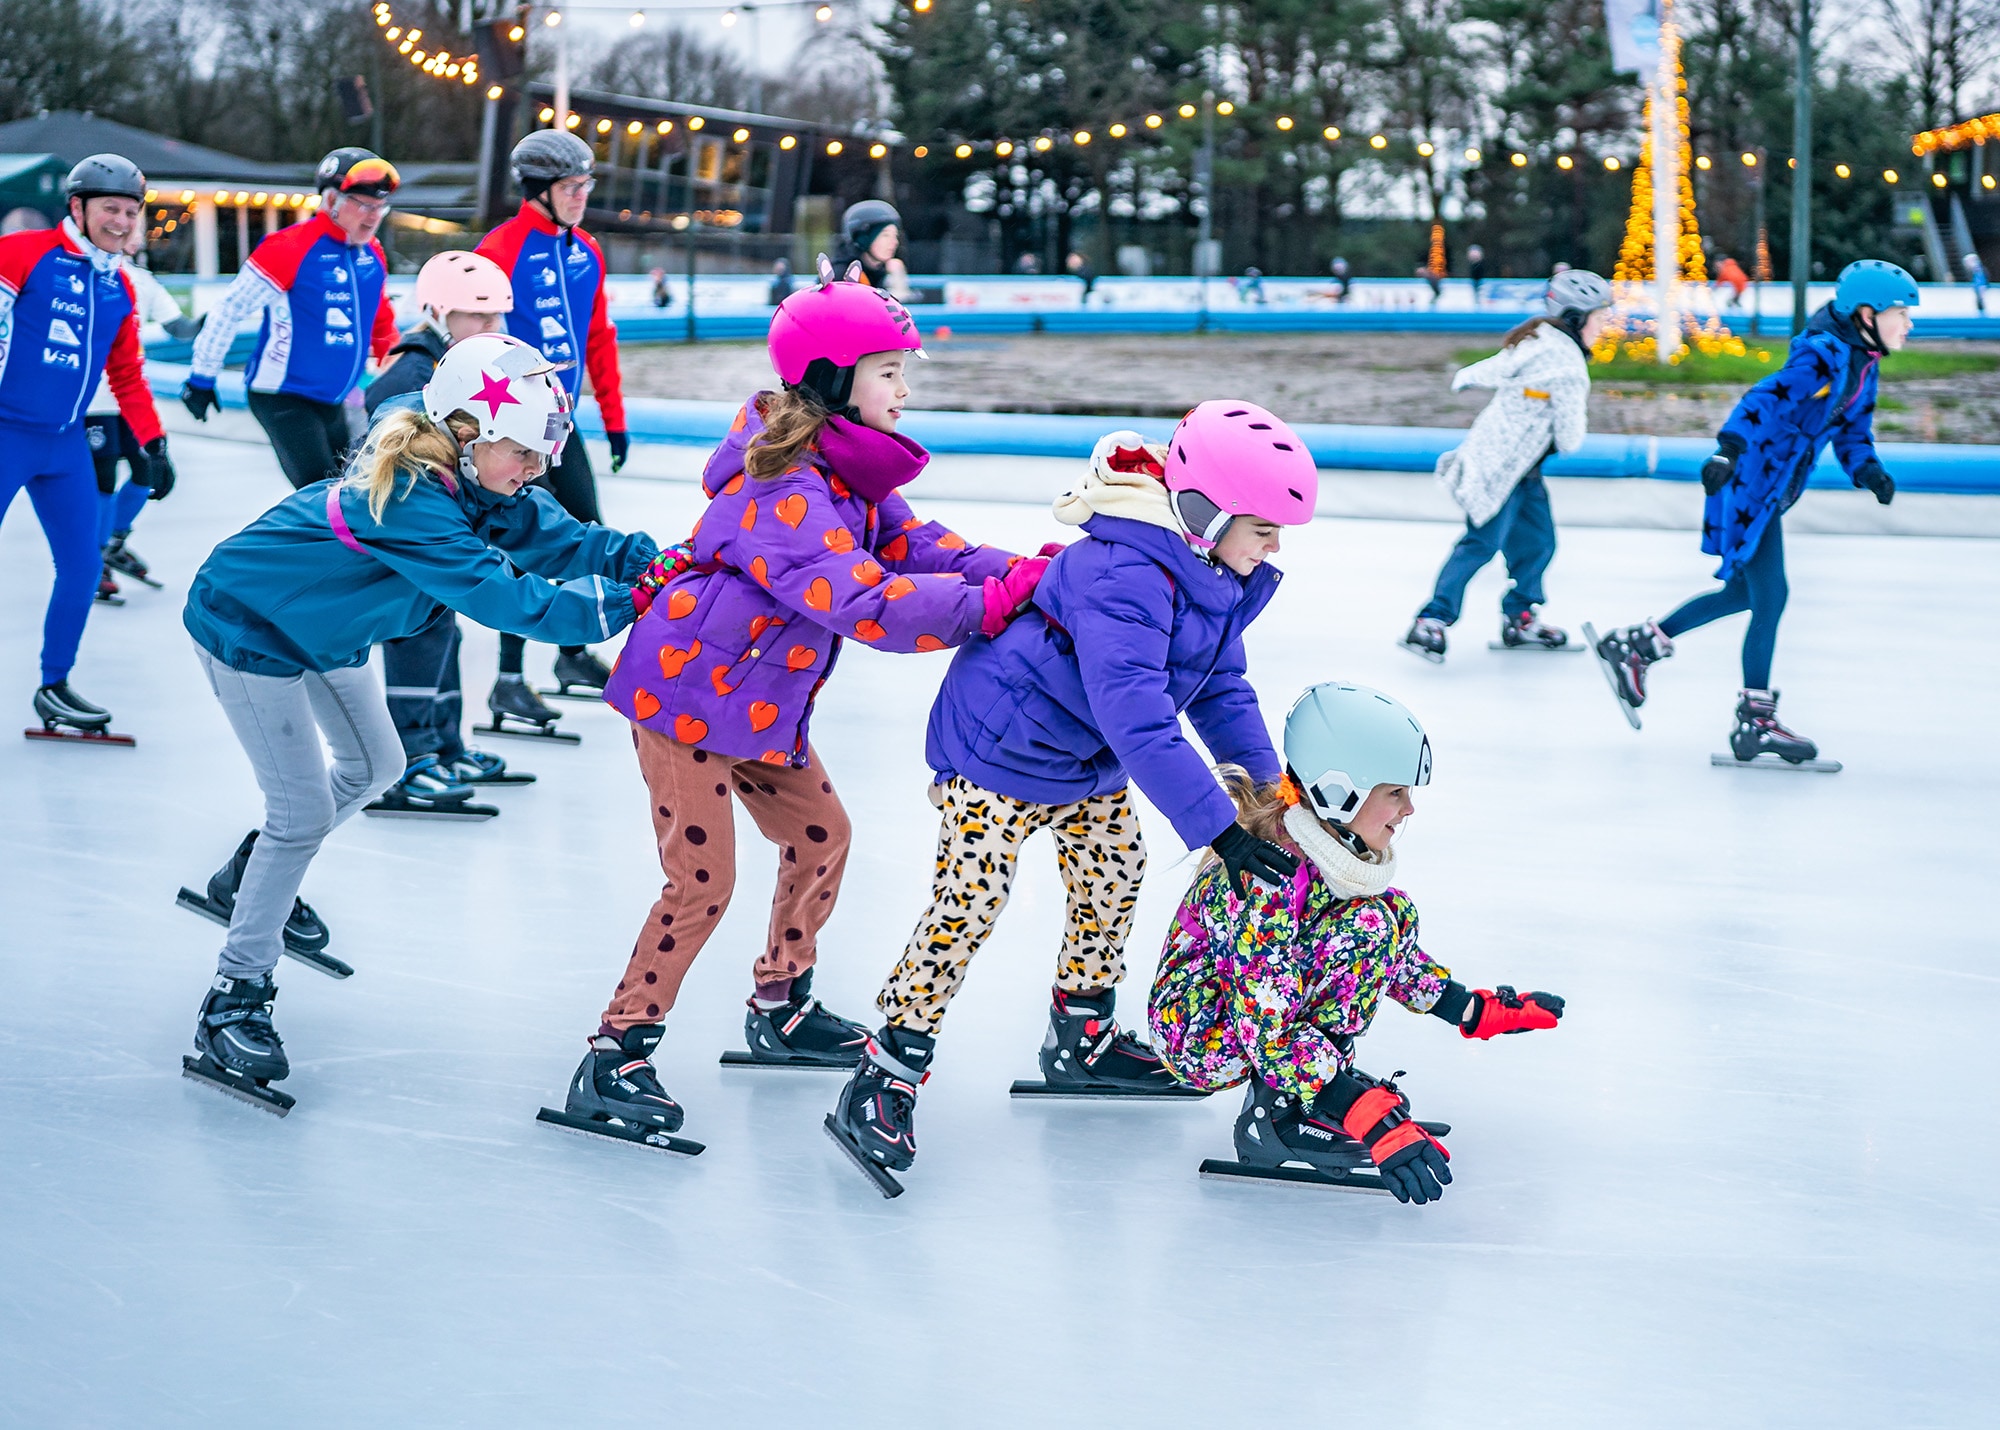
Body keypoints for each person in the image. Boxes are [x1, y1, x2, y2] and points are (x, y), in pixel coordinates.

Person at [571, 262, 1041, 1146]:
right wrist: (984, 608)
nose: (906, 387)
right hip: (685, 703)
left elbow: (918, 544)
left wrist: (1019, 572)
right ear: (833, 378)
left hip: (758, 705)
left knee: (821, 837)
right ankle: (615, 1050)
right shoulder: (786, 490)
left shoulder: (844, 469)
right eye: (890, 370)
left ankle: (780, 1003)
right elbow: (858, 597)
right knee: (701, 883)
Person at [827, 403, 1320, 1192]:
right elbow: (1139, 713)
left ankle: (1080, 1034)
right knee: (970, 903)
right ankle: (886, 1070)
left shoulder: (1217, 573)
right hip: (1000, 750)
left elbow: (1220, 687)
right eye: (1264, 529)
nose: (1274, 549)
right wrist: (1221, 831)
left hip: (1084, 759)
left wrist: (1273, 796)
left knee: (1115, 871)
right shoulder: (1124, 572)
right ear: (1206, 514)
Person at [176, 333, 662, 1112]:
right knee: (299, 811)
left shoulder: (480, 479)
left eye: (545, 456)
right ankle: (234, 994)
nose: (536, 473)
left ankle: (251, 869)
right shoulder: (408, 495)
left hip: (326, 630)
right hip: (250, 624)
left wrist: (651, 559)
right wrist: (631, 603)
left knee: (376, 769)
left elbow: (564, 538)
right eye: (525, 456)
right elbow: (507, 599)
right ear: (467, 434)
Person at [1148, 682, 1563, 1202]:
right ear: (1339, 791)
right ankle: (1277, 1115)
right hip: (1203, 1035)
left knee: (1386, 914)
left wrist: (1471, 1010)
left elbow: (1385, 957)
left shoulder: (1323, 851)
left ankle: (1317, 1087)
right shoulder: (1266, 880)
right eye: (1395, 792)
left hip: (1254, 1019)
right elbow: (1264, 1028)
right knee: (1369, 924)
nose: (1408, 809)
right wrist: (1361, 1110)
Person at [1589, 260, 1913, 764]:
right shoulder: (1824, 355)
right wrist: (1729, 448)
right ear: (1867, 314)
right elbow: (1762, 399)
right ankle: (1755, 719)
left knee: (1744, 593)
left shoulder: (1863, 366)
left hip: (1772, 489)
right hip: (1746, 483)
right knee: (1772, 595)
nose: (1909, 325)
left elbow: (1852, 433)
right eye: (1902, 314)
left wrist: (1868, 471)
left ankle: (1639, 646)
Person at [2, 153, 173, 738]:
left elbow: (127, 374)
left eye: (130, 212)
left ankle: (54, 686)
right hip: (6, 435)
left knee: (80, 566)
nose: (122, 222)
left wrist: (154, 443)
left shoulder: (119, 285)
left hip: (64, 446)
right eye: (110, 209)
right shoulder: (23, 253)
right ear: (78, 207)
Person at [364, 250, 536, 810]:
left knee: (444, 630)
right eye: (478, 318)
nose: (493, 329)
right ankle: (408, 759)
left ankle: (442, 743)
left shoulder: (466, 367)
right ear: (440, 313)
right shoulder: (416, 370)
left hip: (441, 528)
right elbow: (383, 423)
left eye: (497, 318)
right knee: (418, 631)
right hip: (406, 531)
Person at [477, 129, 629, 710]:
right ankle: (508, 679)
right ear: (538, 190)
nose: (581, 196)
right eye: (570, 187)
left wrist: (614, 417)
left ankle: (569, 654)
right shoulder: (500, 249)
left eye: (585, 185)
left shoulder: (585, 250)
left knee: (586, 532)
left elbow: (599, 337)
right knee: (522, 545)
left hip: (560, 423)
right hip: (511, 424)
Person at [1403, 269, 1612, 662]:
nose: (1604, 329)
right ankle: (1431, 620)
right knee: (1481, 544)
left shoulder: (1538, 338)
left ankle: (1520, 616)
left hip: (1520, 471)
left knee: (1538, 543)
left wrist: (1474, 379)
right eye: (1600, 319)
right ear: (1575, 319)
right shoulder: (1565, 363)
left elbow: (1488, 369)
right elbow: (1571, 439)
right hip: (1500, 470)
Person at [182, 148, 400, 491]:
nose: (374, 216)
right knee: (322, 495)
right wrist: (201, 378)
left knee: (353, 489)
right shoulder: (289, 247)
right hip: (283, 396)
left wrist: (401, 372)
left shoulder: (371, 254)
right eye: (363, 205)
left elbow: (381, 322)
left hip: (332, 400)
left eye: (380, 207)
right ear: (331, 200)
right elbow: (230, 309)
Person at [88, 224, 192, 601]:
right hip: (91, 401)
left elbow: (180, 328)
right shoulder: (89, 271)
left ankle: (113, 540)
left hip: (128, 400)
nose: (130, 229)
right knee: (102, 477)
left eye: (134, 221)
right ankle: (94, 557)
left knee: (147, 470)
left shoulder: (143, 281)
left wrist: (218, 323)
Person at [830, 199, 912, 298]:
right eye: (885, 235)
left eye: (895, 236)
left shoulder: (881, 273)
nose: (894, 242)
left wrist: (897, 279)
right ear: (863, 238)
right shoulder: (840, 276)